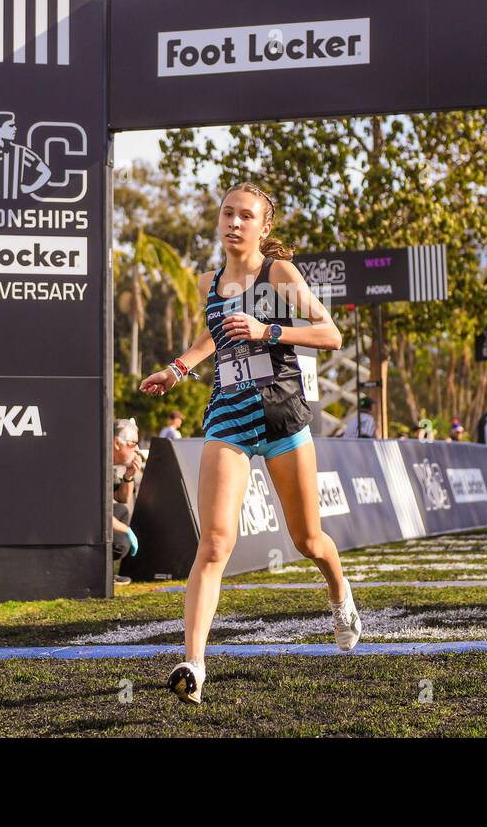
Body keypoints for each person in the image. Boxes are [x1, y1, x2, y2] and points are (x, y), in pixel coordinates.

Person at [139, 180, 360, 704]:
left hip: (282, 417)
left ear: (264, 227)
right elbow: (213, 334)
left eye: (245, 216)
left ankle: (340, 592)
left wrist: (268, 332)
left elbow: (330, 334)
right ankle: (193, 664)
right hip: (228, 419)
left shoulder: (278, 274)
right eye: (227, 214)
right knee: (214, 543)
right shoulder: (208, 280)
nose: (234, 223)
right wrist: (177, 369)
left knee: (309, 542)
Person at [111, 418, 143, 585]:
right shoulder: (97, 463)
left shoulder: (110, 466)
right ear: (117, 443)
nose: (137, 449)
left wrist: (129, 475)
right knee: (121, 537)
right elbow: (95, 513)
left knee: (122, 511)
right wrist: (127, 531)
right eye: (133, 443)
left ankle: (105, 569)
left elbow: (122, 499)